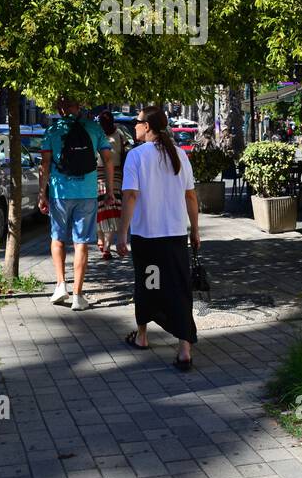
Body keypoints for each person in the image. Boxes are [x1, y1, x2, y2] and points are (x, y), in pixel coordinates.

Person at [116, 107, 199, 372]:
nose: (134, 126)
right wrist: (195, 230)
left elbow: (130, 196)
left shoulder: (136, 156)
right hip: (175, 237)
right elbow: (191, 196)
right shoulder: (179, 155)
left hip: (147, 238)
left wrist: (121, 233)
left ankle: (142, 336)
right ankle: (184, 348)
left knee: (149, 284)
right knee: (179, 289)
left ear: (148, 126)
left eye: (136, 122)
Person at [39, 97, 115, 312]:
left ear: (58, 109)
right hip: (87, 192)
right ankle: (78, 295)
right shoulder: (94, 128)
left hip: (59, 192)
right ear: (79, 107)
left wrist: (42, 194)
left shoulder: (52, 130)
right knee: (81, 242)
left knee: (57, 238)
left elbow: (45, 163)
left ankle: (61, 285)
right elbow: (108, 159)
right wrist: (109, 190)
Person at [95, 109, 128, 260]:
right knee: (105, 209)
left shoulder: (114, 135)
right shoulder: (102, 135)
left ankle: (105, 245)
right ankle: (103, 242)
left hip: (112, 176)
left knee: (106, 209)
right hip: (102, 176)